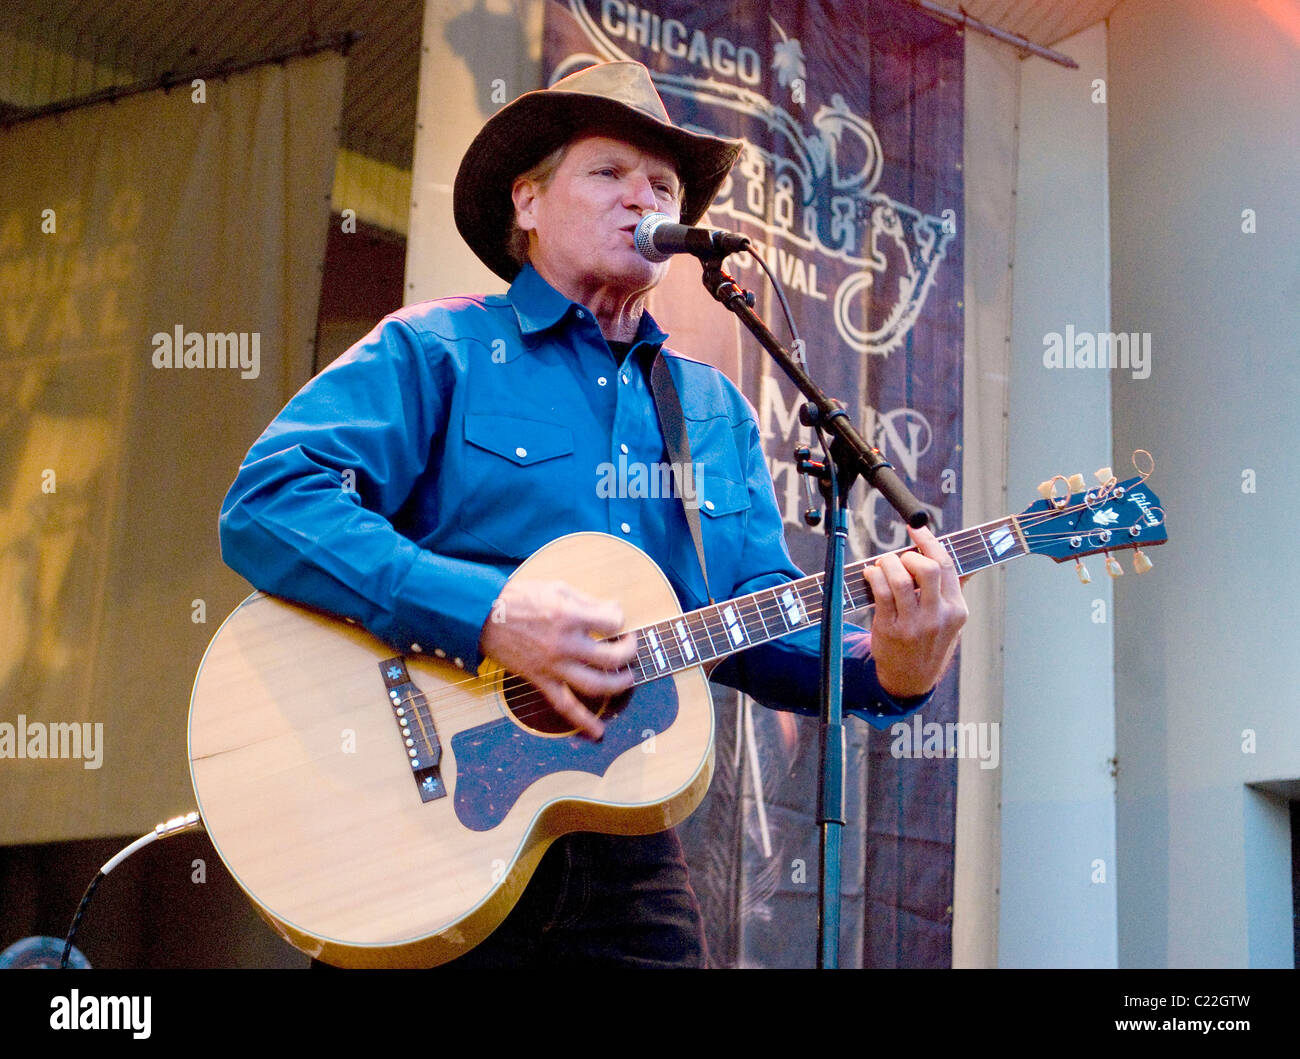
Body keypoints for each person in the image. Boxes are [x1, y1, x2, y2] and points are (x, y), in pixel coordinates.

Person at [218, 60, 968, 968]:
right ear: (526, 204)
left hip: (623, 841)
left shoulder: (711, 409)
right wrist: (488, 616)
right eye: (608, 172)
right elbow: (268, 502)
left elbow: (752, 614)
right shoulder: (437, 347)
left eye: (662, 184)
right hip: (415, 835)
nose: (640, 197)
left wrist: (893, 667)